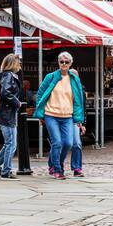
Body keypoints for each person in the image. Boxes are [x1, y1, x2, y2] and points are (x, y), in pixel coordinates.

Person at [34, 51, 87, 179]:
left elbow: (78, 100)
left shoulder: (74, 79)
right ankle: (57, 169)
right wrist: (41, 114)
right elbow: (40, 94)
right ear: (58, 62)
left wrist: (79, 120)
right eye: (61, 62)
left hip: (67, 116)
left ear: (70, 64)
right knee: (57, 142)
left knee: (68, 143)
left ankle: (56, 162)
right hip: (51, 114)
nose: (64, 64)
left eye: (66, 62)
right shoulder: (51, 77)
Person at [0, 54, 23, 179]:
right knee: (11, 144)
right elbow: (5, 93)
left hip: (6, 114)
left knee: (9, 143)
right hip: (6, 114)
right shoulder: (8, 75)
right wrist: (17, 102)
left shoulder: (6, 76)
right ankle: (6, 171)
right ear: (13, 63)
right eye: (18, 62)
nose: (19, 64)